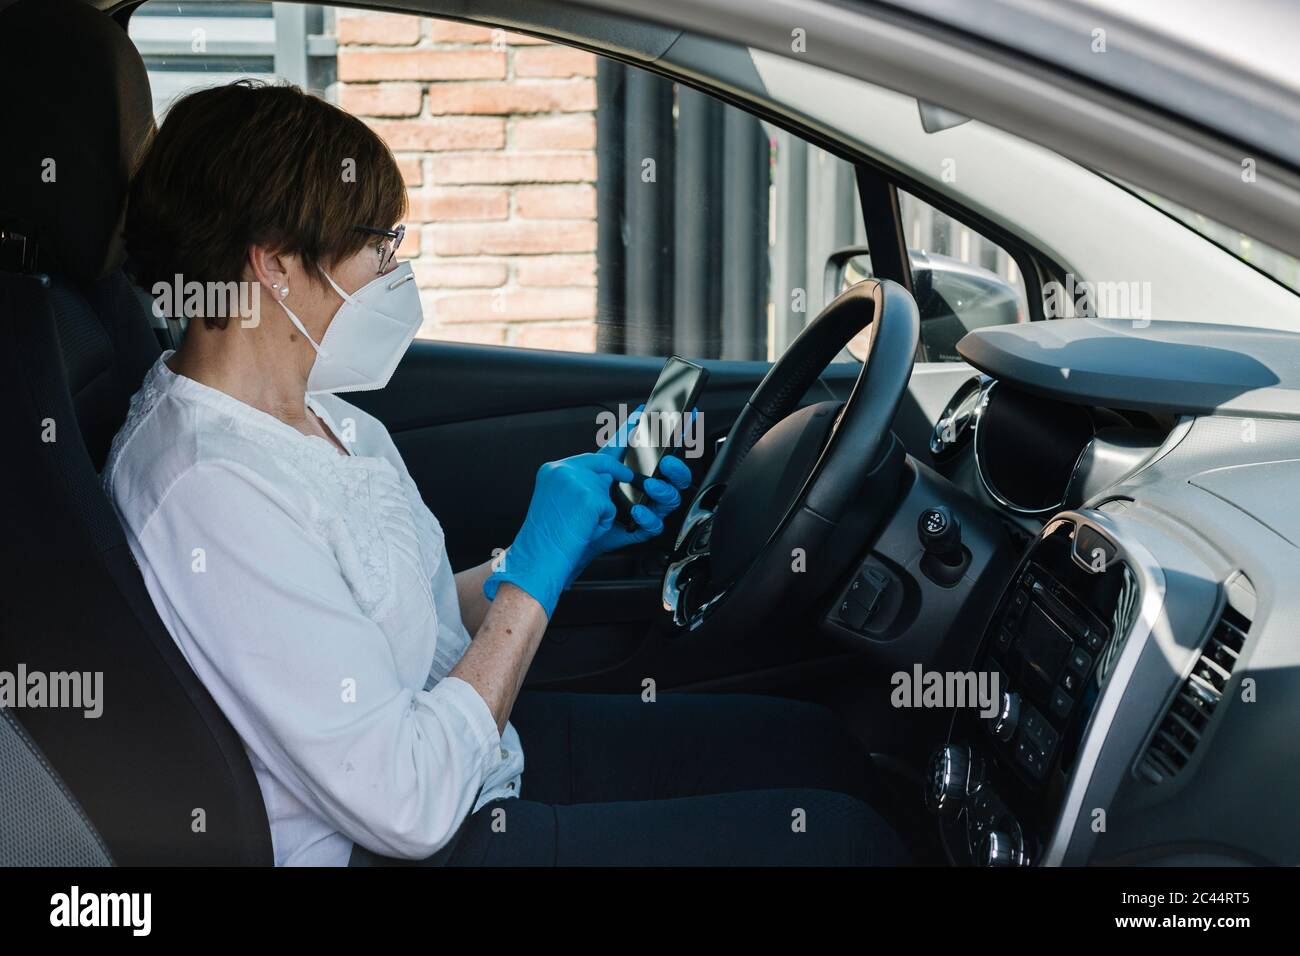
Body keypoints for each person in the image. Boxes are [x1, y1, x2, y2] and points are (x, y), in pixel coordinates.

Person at [105, 80, 909, 866]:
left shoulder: (326, 414)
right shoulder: (208, 488)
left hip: (472, 754)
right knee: (844, 843)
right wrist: (534, 573)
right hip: (410, 836)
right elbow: (406, 805)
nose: (396, 271)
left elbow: (402, 614)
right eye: (378, 245)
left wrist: (562, 545)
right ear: (274, 264)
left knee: (812, 745)